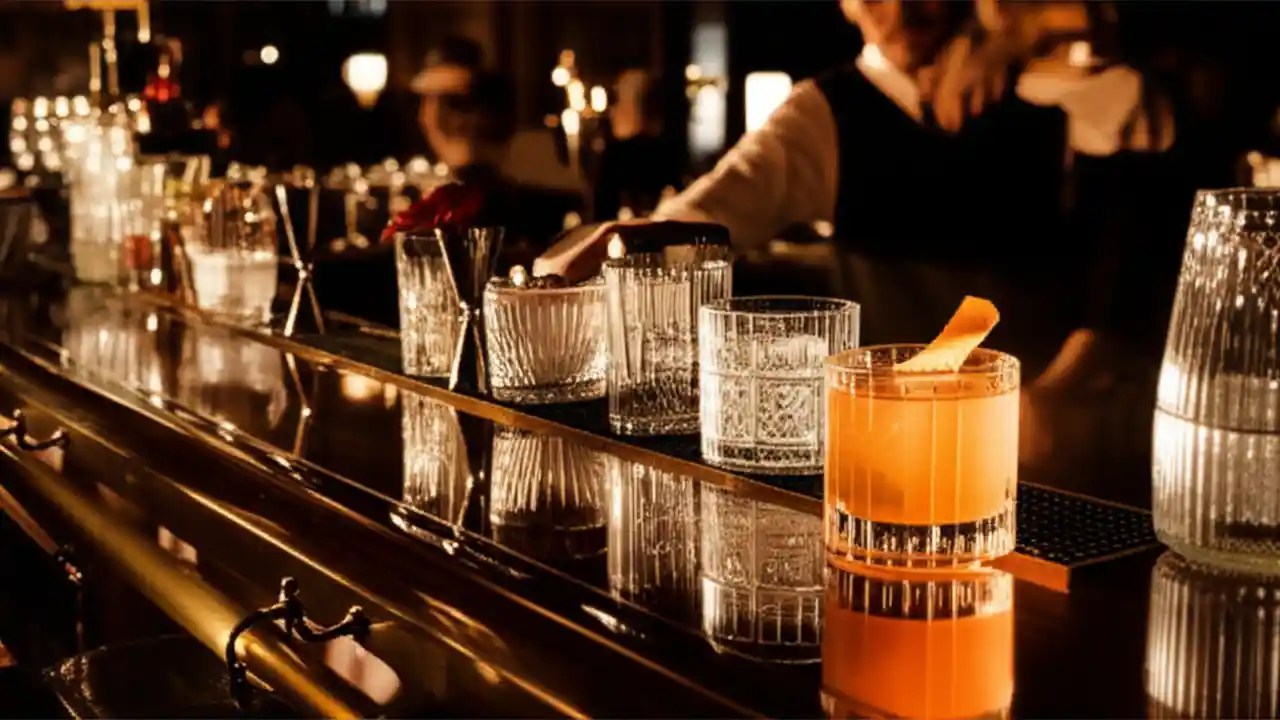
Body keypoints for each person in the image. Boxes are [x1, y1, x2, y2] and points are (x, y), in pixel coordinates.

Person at [536, 0, 1185, 379]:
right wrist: (620, 241)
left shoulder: (1034, 79)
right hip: (892, 421)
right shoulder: (823, 112)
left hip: (1048, 414)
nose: (902, 8)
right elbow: (704, 217)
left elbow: (1146, 113)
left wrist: (1020, 40)